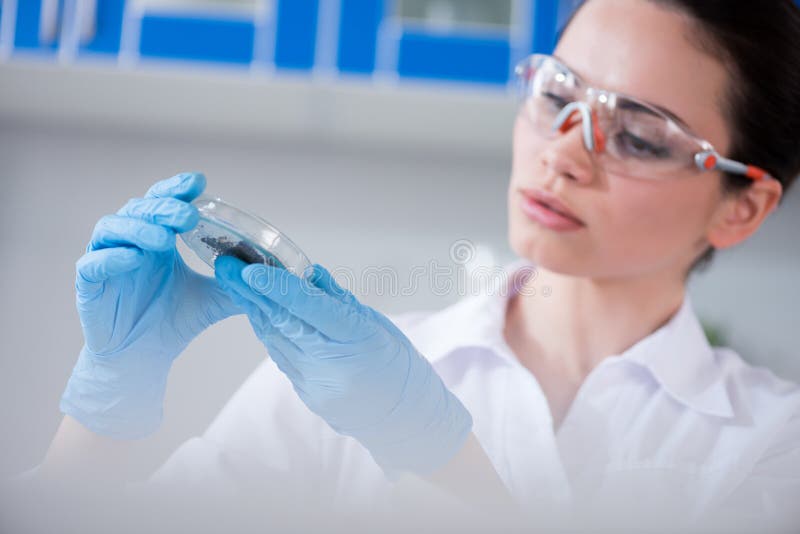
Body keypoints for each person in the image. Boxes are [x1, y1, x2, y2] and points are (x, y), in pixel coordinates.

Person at [22, 0, 800, 531]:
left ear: (742, 207)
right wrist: (104, 412)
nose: (563, 153)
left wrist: (439, 457)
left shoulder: (774, 446)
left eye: (637, 136)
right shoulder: (337, 377)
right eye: (557, 93)